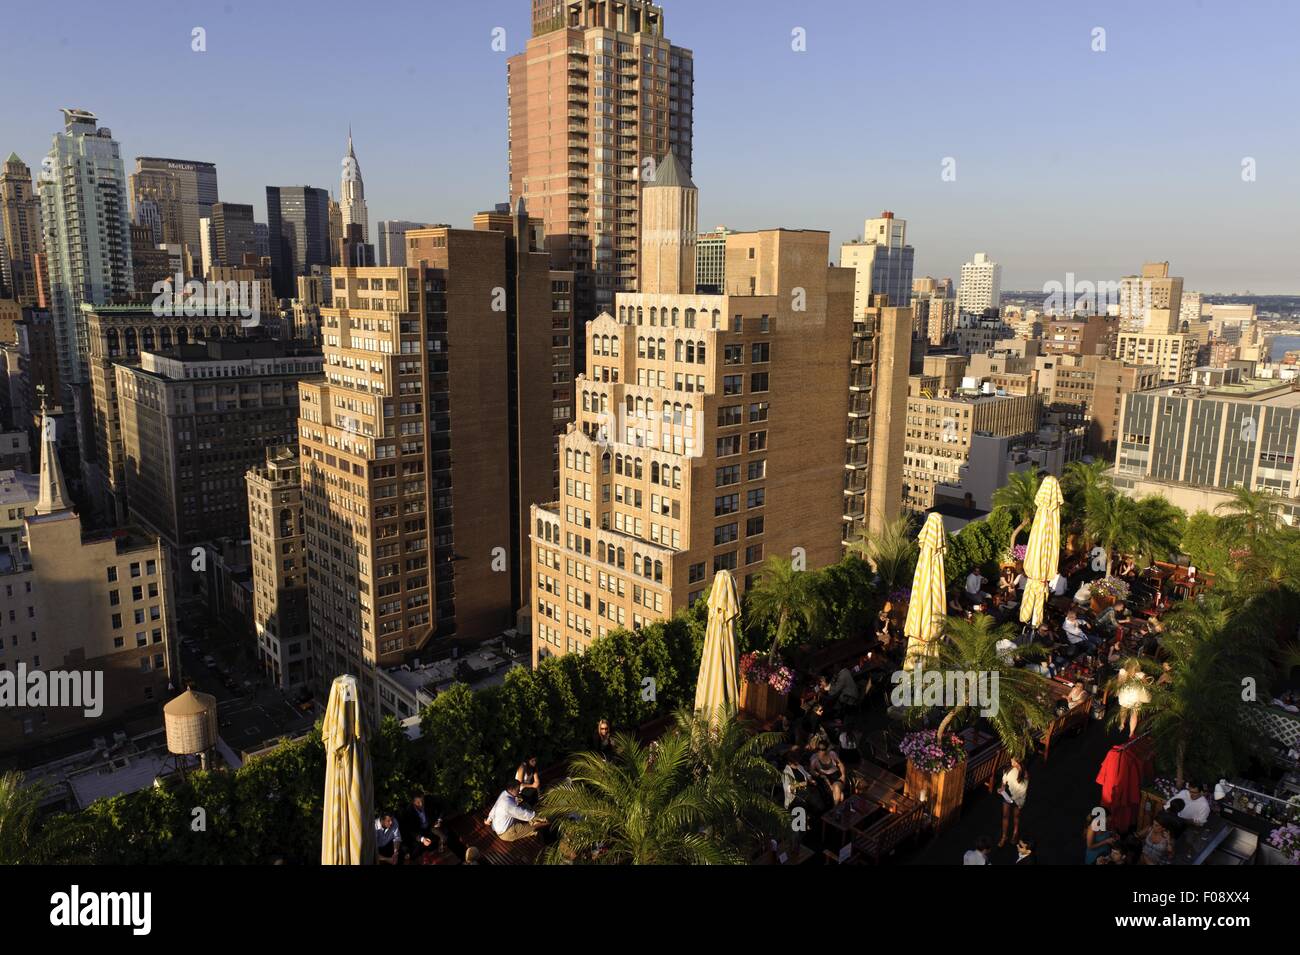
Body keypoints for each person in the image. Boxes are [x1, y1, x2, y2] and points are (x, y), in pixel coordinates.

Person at [1115, 659, 1152, 738]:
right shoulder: (1141, 674)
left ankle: (1122, 724)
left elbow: (1119, 683)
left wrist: (1118, 691)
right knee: (1134, 713)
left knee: (1123, 709)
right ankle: (1131, 732)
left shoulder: (1122, 672)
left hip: (1125, 694)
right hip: (1136, 696)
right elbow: (1147, 685)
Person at [998, 758, 1029, 847]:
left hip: (1018, 799)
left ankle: (1015, 833)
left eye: (1013, 760)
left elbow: (1023, 790)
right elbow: (1004, 779)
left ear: (1018, 761)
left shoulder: (1025, 773)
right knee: (1005, 816)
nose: (1011, 761)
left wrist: (1012, 799)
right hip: (1007, 796)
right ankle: (1004, 836)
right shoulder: (1009, 768)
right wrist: (1002, 788)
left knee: (1016, 816)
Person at [400, 794, 440, 862]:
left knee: (442, 838)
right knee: (417, 851)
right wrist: (422, 839)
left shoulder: (428, 802)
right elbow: (411, 830)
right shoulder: (408, 812)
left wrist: (438, 820)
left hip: (430, 828)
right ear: (413, 802)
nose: (421, 804)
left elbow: (435, 813)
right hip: (418, 834)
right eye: (418, 802)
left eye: (422, 801)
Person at [782, 749, 822, 813]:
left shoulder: (799, 766)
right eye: (795, 761)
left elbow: (807, 775)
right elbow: (788, 788)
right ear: (790, 762)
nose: (798, 762)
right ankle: (819, 811)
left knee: (817, 790)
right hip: (796, 794)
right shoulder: (786, 772)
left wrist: (811, 780)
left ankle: (820, 811)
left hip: (806, 789)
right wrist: (799, 784)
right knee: (813, 797)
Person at [809, 742, 848, 806]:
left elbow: (840, 764)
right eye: (819, 749)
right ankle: (839, 805)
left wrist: (843, 775)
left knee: (836, 787)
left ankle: (835, 807)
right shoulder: (814, 758)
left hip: (836, 776)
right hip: (825, 778)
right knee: (839, 795)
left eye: (823, 749)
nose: (820, 751)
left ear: (827, 749)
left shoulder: (832, 754)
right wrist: (819, 775)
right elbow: (811, 770)